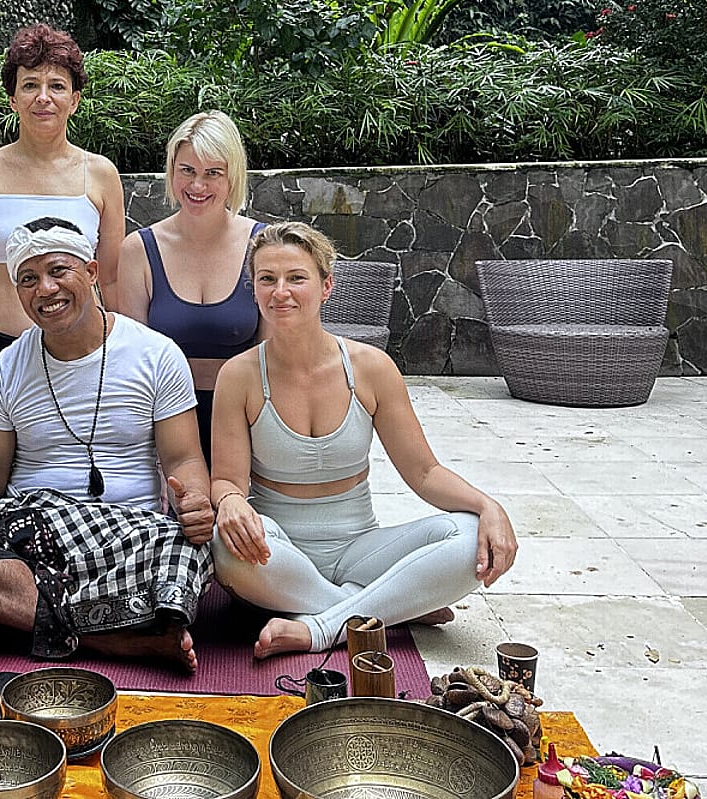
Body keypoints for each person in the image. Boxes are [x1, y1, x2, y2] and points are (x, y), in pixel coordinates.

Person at [0, 217, 213, 672]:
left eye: (58, 271)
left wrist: (196, 502)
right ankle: (118, 641)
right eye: (28, 279)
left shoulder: (156, 354)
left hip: (132, 535)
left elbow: (184, 458)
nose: (44, 289)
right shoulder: (6, 370)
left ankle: (10, 613)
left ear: (90, 272)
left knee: (192, 546)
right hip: (29, 535)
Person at [210, 221, 517, 657]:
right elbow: (226, 481)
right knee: (226, 545)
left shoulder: (371, 369)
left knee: (470, 538)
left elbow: (425, 472)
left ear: (326, 286)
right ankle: (390, 608)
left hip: (359, 549)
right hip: (275, 554)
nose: (281, 291)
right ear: (255, 289)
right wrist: (230, 502)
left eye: (296, 278)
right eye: (267, 279)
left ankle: (320, 627)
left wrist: (490, 507)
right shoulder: (238, 375)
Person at [0, 23, 126, 398]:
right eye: (30, 85)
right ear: (13, 98)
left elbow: (112, 279)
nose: (43, 97)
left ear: (75, 99)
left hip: (85, 350)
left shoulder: (100, 174)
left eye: (57, 86)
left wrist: (124, 355)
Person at [116, 111, 264, 465]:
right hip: (165, 420)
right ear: (171, 171)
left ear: (233, 177)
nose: (197, 186)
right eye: (187, 171)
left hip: (245, 419)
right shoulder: (138, 250)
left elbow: (273, 353)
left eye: (213, 173)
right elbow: (133, 359)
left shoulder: (263, 246)